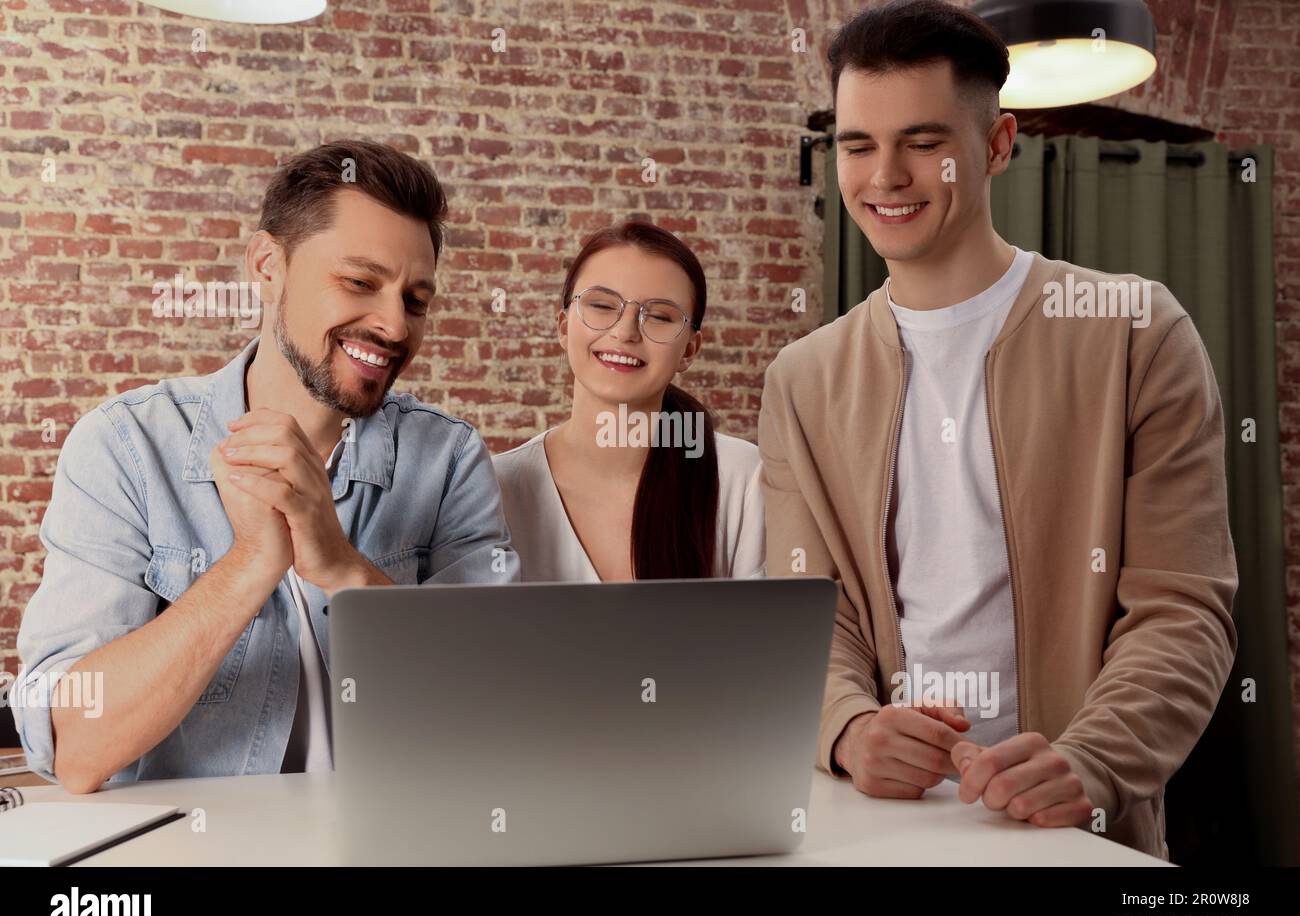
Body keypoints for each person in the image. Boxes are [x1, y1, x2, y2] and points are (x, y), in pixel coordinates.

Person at [758, 0, 1236, 858]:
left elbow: (1183, 610)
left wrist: (1090, 760)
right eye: (858, 145)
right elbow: (809, 617)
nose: (885, 176)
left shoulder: (1137, 332)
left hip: (1072, 832)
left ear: (997, 146)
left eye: (924, 143)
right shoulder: (803, 379)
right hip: (875, 830)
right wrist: (845, 727)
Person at [12, 140, 518, 793]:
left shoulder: (447, 460)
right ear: (266, 266)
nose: (394, 325)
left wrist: (341, 568)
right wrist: (250, 564)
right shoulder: (126, 447)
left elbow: (498, 717)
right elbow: (76, 747)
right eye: (360, 282)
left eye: (415, 300)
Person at [493, 220, 764, 581]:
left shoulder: (741, 478)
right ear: (563, 326)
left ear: (689, 349)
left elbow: (769, 634)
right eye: (602, 306)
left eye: (659, 316)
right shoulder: (497, 488)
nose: (624, 332)